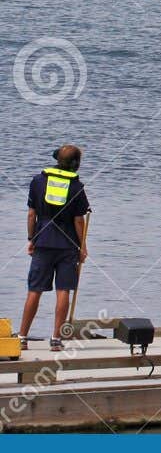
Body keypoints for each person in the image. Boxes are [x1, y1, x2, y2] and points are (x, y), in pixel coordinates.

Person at [20, 145, 90, 352]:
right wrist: (82, 246)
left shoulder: (38, 181)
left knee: (34, 290)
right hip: (68, 245)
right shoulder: (76, 187)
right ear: (76, 164)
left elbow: (31, 214)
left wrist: (31, 238)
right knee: (63, 291)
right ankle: (56, 339)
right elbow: (79, 220)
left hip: (43, 242)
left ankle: (22, 337)